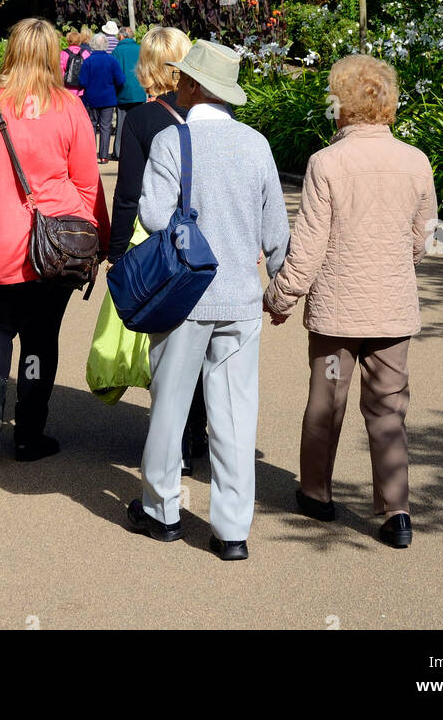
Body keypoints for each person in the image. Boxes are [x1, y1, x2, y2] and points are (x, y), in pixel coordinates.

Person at [263, 54, 437, 550]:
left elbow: (310, 246)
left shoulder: (326, 163)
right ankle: (396, 512)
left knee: (327, 401)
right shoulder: (416, 160)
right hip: (392, 310)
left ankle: (317, 494)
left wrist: (281, 296)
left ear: (341, 103)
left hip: (338, 311)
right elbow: (421, 238)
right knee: (388, 410)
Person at [128, 39, 290, 561]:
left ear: (197, 87)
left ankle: (162, 511)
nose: (176, 83)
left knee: (170, 408)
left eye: (183, 77)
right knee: (235, 415)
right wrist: (280, 288)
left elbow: (153, 217)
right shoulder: (258, 144)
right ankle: (232, 531)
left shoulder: (174, 143)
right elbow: (275, 232)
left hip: (184, 296)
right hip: (240, 299)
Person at [0, 17, 110, 462]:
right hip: (53, 245)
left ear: (11, 50)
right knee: (39, 338)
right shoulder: (70, 108)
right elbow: (88, 183)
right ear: (54, 54)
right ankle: (28, 434)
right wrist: (102, 237)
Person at [108, 26, 206, 473]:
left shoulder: (142, 121)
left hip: (162, 247)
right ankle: (198, 431)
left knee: (167, 339)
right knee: (206, 339)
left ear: (146, 65)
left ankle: (173, 439)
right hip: (207, 242)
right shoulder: (208, 115)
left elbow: (128, 193)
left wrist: (115, 250)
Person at [78, 34, 124, 164]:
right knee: (105, 127)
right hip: (108, 99)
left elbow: (82, 81)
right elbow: (120, 80)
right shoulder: (111, 61)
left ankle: (91, 154)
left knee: (92, 126)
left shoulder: (87, 62)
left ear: (92, 44)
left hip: (91, 98)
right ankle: (103, 156)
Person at [110, 26, 146, 160]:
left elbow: (115, 73)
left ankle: (119, 152)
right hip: (139, 91)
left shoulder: (117, 51)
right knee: (139, 124)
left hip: (123, 92)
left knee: (121, 124)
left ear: (121, 37)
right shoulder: (140, 49)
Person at [60, 28, 91, 97]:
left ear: (68, 41)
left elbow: (60, 72)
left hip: (67, 89)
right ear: (79, 41)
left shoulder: (63, 53)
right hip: (81, 90)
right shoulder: (85, 53)